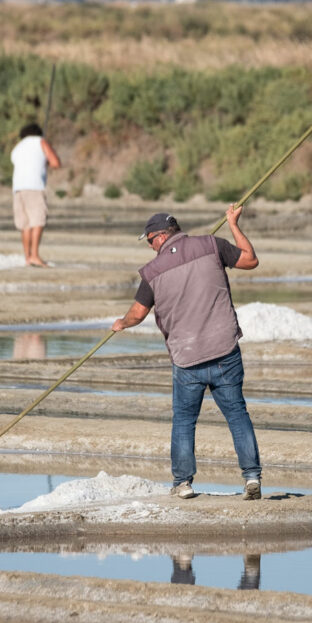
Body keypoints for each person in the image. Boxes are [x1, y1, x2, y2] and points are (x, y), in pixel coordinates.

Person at [111, 206, 263, 501]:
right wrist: (233, 224)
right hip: (224, 350)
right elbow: (251, 260)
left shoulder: (152, 272)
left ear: (158, 237)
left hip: (187, 358)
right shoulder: (211, 245)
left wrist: (122, 323)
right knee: (237, 414)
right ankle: (252, 478)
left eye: (149, 241)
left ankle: (183, 483)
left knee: (183, 420)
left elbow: (137, 313)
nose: (150, 246)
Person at [9, 122, 61, 267]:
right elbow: (56, 162)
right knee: (38, 221)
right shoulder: (41, 142)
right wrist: (45, 163)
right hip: (34, 187)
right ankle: (35, 256)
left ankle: (28, 257)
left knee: (25, 225)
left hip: (18, 189)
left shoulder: (17, 148)